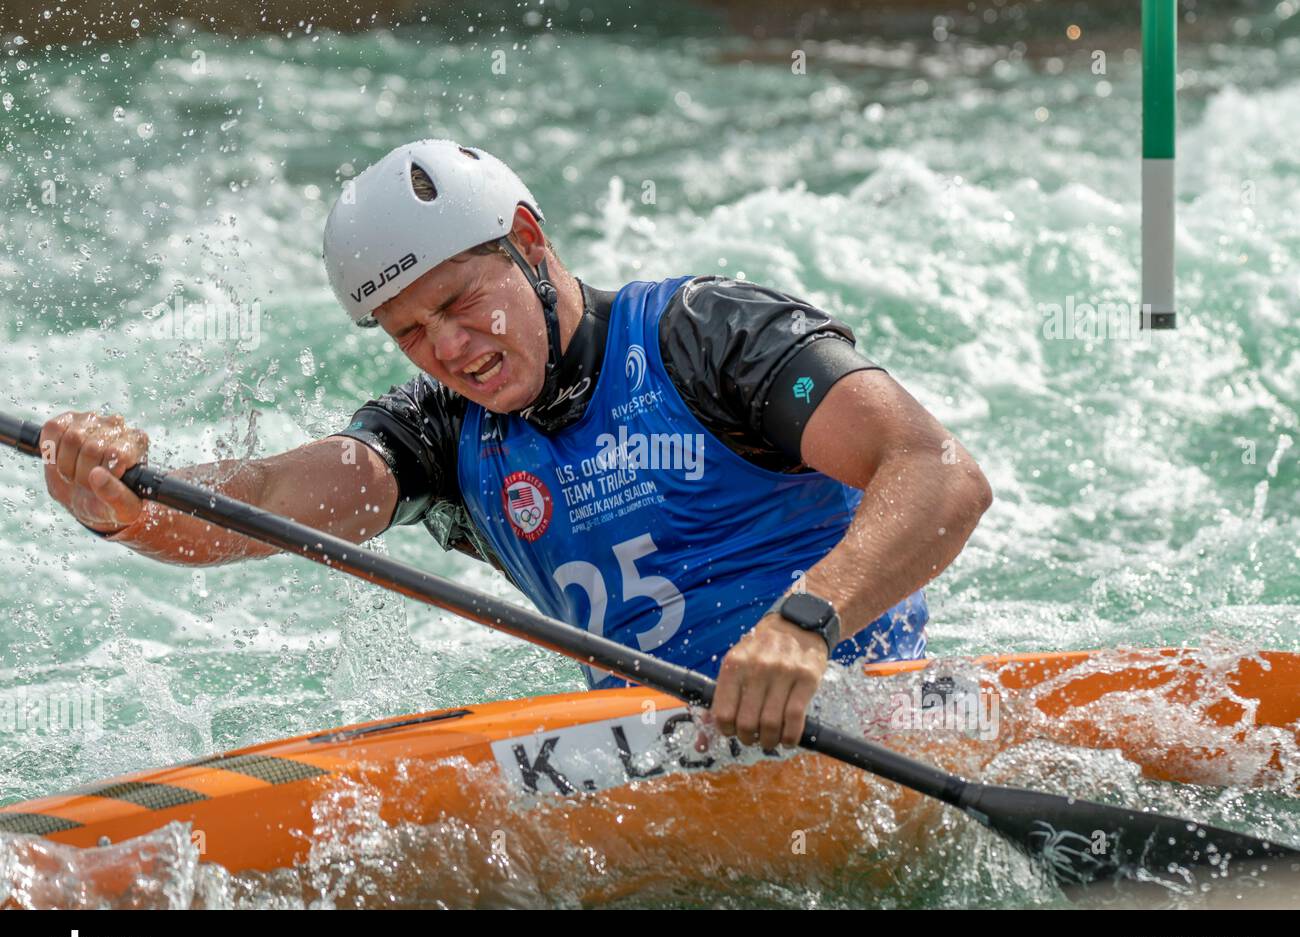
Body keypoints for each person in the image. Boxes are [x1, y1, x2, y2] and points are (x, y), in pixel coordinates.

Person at [41, 139, 991, 752]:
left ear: (528, 241)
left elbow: (939, 475)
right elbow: (264, 498)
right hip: (646, 759)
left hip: (871, 721)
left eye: (459, 303)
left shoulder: (706, 336)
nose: (446, 349)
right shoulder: (445, 434)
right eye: (410, 333)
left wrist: (807, 625)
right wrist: (127, 502)